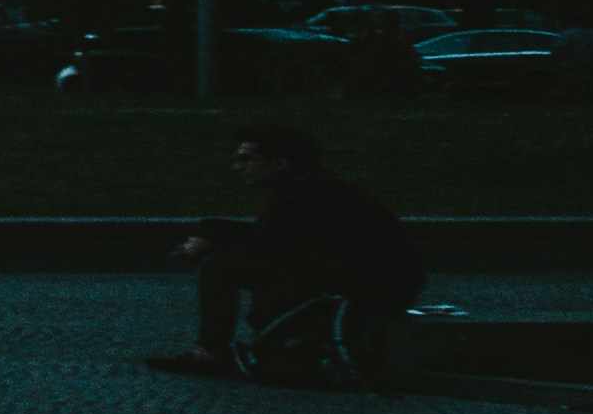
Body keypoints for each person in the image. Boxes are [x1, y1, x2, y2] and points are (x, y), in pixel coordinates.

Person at [176, 120, 422, 389]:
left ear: (280, 163)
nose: (239, 167)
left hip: (369, 288)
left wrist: (207, 247)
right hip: (368, 280)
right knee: (240, 265)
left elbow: (263, 245)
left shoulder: (305, 193)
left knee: (219, 266)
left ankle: (211, 353)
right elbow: (266, 236)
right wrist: (208, 230)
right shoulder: (313, 188)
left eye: (247, 159)